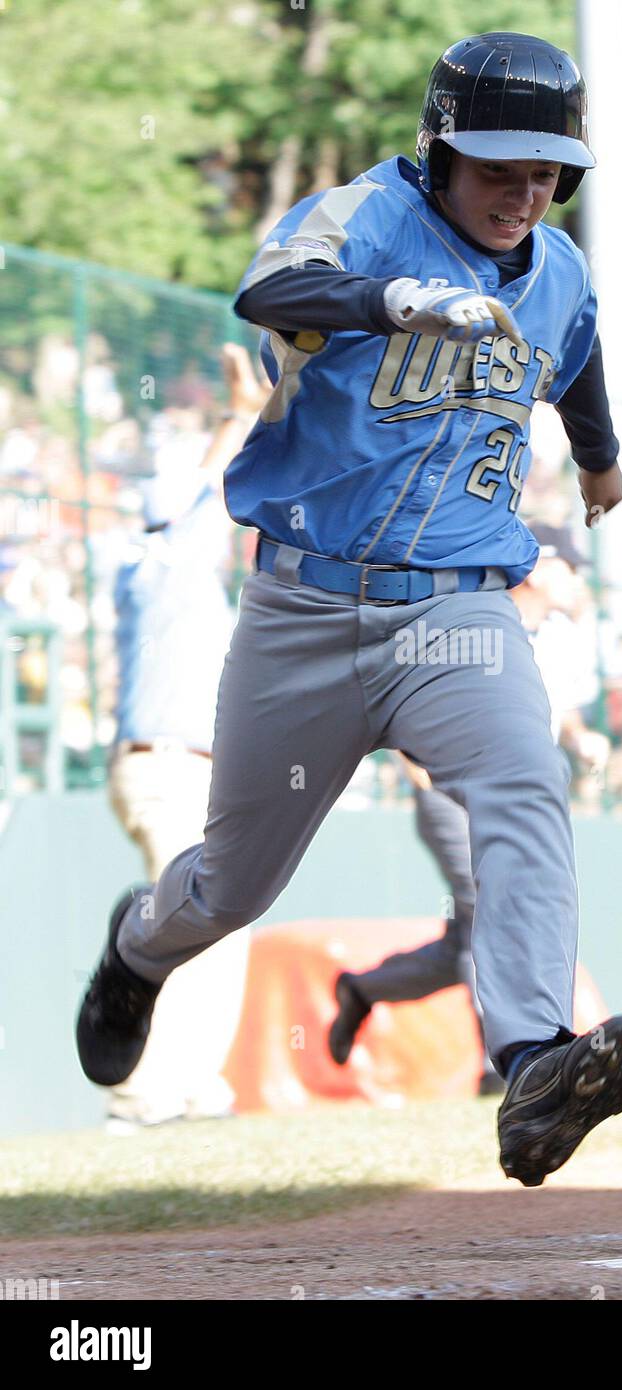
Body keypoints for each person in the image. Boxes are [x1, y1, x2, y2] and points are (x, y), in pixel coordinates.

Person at [76, 31, 622, 1189]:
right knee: (233, 882)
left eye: (544, 171)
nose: (524, 191)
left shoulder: (559, 270)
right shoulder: (366, 219)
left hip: (456, 615)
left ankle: (533, 1059)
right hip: (303, 605)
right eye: (499, 166)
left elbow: (575, 352)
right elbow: (267, 287)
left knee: (523, 782)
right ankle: (139, 949)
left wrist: (597, 460)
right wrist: (396, 302)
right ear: (440, 147)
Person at [327, 526, 605, 1095]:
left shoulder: (556, 636)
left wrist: (578, 737)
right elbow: (408, 689)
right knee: (492, 908)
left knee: (466, 939)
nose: (575, 579)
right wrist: (417, 768)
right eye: (568, 566)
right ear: (540, 566)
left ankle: (364, 989)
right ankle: (505, 1059)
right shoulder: (474, 618)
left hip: (508, 793)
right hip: (449, 788)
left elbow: (559, 707)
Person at [101, 345, 266, 1129]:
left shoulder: (168, 561)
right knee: (191, 916)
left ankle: (192, 1085)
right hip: (165, 766)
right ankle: (137, 1096)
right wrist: (240, 415)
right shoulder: (162, 556)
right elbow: (205, 495)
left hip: (176, 765)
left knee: (223, 918)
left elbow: (204, 497)